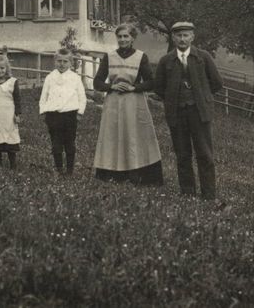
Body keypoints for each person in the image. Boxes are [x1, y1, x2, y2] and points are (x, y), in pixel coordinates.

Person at [152, 21, 224, 200]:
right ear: (173, 38)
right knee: (182, 154)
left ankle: (208, 195)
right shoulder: (166, 60)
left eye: (186, 35)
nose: (182, 39)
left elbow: (216, 83)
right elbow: (159, 87)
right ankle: (187, 194)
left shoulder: (203, 57)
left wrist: (202, 96)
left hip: (200, 113)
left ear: (192, 37)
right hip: (177, 114)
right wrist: (173, 100)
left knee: (205, 154)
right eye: (178, 35)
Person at [92, 23, 164, 186]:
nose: (123, 39)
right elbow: (97, 82)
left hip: (134, 103)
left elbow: (151, 82)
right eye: (120, 36)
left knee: (134, 136)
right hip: (114, 103)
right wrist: (111, 86)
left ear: (132, 38)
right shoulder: (109, 56)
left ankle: (137, 175)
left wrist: (134, 87)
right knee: (112, 136)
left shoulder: (141, 56)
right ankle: (112, 174)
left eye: (126, 36)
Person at [38, 48, 87, 176]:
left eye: (65, 61)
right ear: (55, 61)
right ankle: (59, 169)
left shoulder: (75, 78)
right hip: (53, 115)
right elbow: (44, 95)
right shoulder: (50, 77)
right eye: (59, 61)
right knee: (56, 143)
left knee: (70, 142)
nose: (62, 64)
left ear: (71, 63)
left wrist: (80, 112)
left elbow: (82, 97)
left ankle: (69, 170)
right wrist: (43, 110)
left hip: (70, 115)